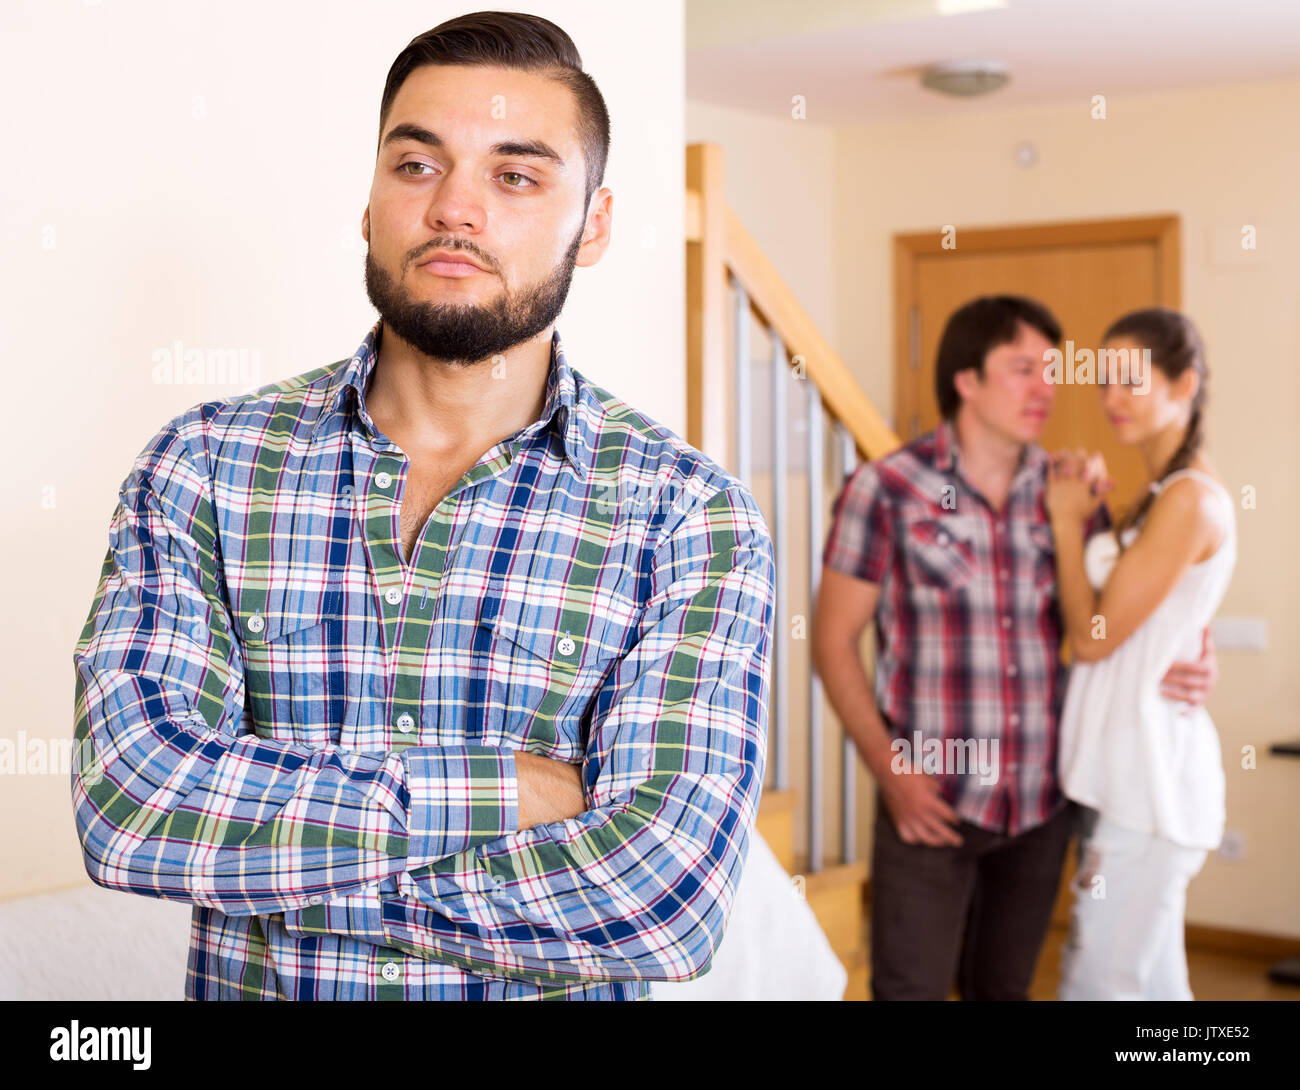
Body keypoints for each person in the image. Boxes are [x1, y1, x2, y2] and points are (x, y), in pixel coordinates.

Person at [71, 12, 774, 1001]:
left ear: (596, 224)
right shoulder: (203, 469)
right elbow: (132, 807)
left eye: (515, 175)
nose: (455, 209)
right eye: (416, 166)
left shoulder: (688, 518)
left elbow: (663, 901)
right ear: (369, 200)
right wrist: (506, 793)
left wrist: (278, 880)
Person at [812, 295, 1218, 1001]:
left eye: (1052, 371)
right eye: (1024, 369)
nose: (1047, 388)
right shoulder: (887, 489)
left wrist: (1192, 651)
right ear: (966, 379)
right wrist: (890, 768)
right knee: (908, 990)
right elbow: (831, 641)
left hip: (1039, 807)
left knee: (1004, 991)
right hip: (930, 801)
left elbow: (1116, 617)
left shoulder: (1072, 495)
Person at [1048, 308, 1234, 1000]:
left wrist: (1067, 525)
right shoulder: (1159, 496)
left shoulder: (1188, 500)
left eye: (1131, 380)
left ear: (1184, 383)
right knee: (1153, 993)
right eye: (1103, 382)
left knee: (1095, 984)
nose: (1111, 399)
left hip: (1149, 789)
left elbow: (1092, 638)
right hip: (1134, 779)